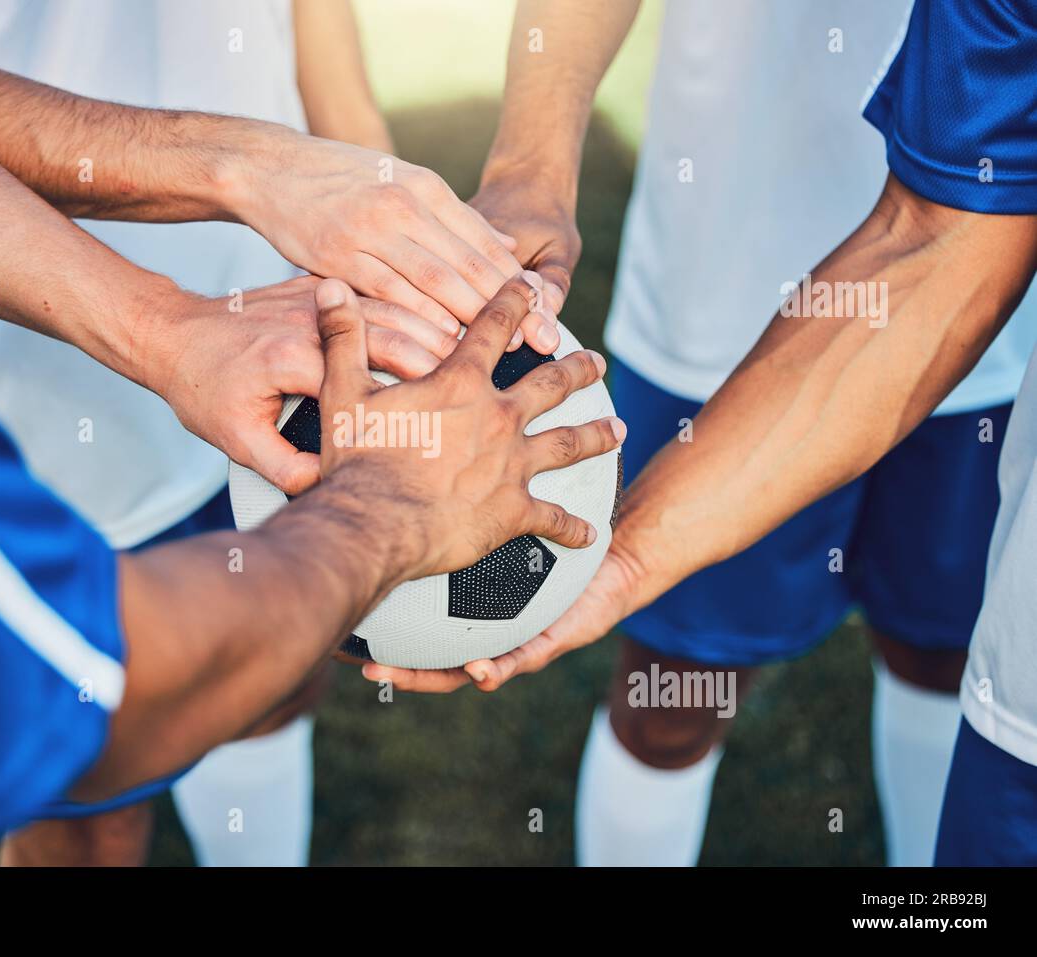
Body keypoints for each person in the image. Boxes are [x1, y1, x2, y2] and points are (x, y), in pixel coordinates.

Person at [0, 86, 622, 845]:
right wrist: (390, 510)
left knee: (267, 684)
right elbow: (62, 696)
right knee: (93, 801)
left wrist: (207, 258)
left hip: (250, 335)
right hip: (23, 385)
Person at [377, 0, 1037, 868]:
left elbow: (949, 235)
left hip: (988, 330)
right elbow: (941, 241)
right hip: (733, 302)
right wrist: (535, 159)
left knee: (943, 652)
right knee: (677, 693)